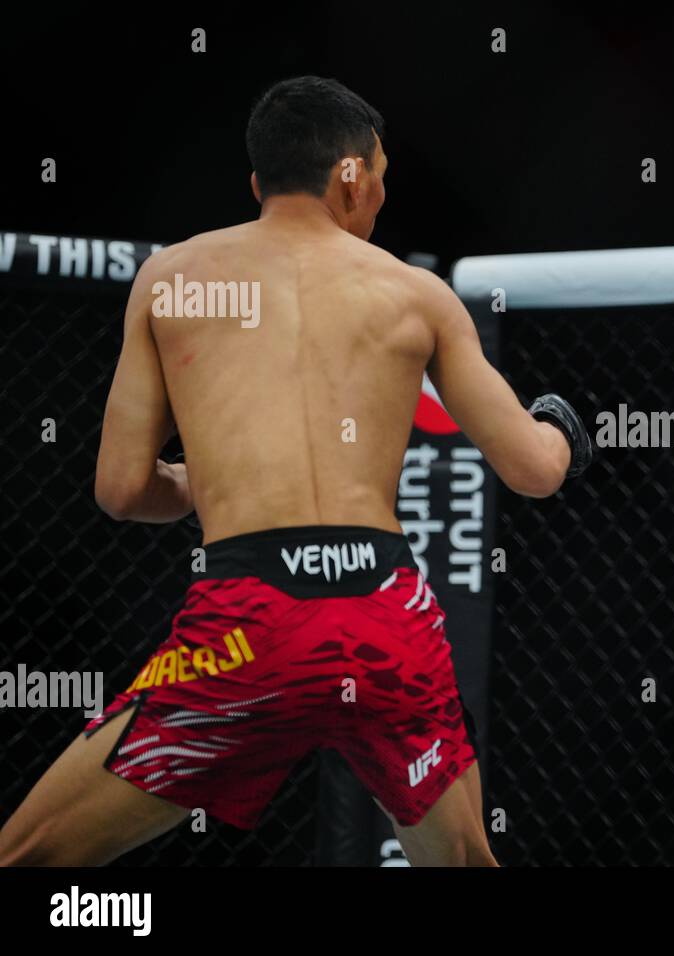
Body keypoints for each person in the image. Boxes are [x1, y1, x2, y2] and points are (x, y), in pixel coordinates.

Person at [0, 75, 591, 866]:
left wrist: (199, 483)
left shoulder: (173, 278)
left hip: (247, 622)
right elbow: (533, 471)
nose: (382, 195)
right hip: (385, 616)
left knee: (33, 858)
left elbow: (119, 489)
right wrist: (559, 427)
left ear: (257, 183)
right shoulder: (415, 293)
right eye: (381, 173)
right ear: (353, 173)